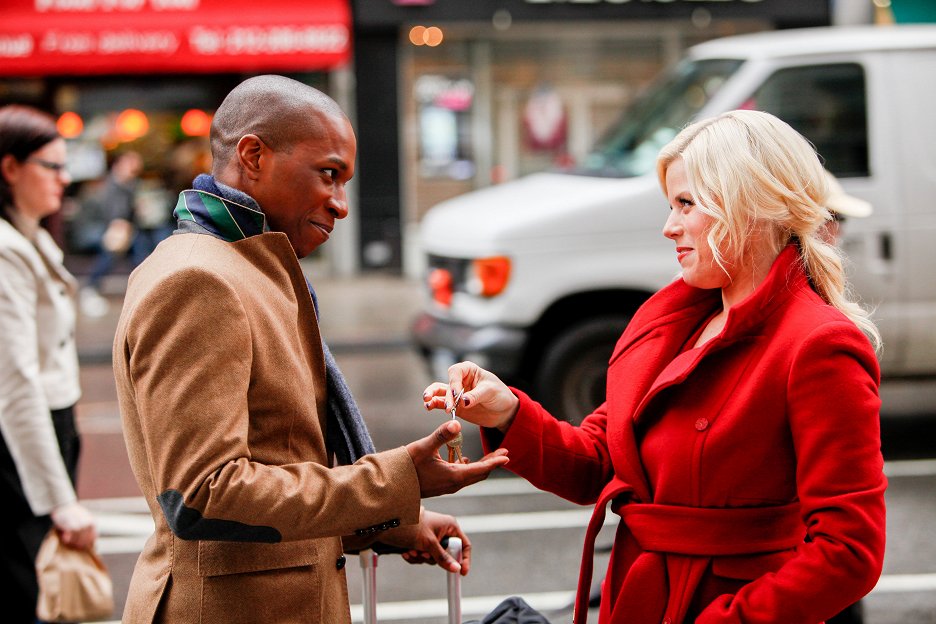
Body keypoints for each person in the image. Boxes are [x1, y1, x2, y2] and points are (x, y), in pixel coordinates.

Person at [425, 110, 887, 623]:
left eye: (686, 204)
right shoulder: (675, 321)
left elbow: (849, 552)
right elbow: (599, 460)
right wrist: (507, 412)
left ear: (748, 205)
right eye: (671, 205)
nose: (669, 228)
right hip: (641, 596)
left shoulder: (819, 344)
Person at [112, 74, 509, 623]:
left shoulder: (249, 266)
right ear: (252, 155)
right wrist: (395, 482)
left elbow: (280, 462)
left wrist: (393, 523)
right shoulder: (201, 281)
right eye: (328, 174)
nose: (341, 205)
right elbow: (205, 494)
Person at [0, 104, 98, 623]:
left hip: (51, 432)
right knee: (26, 593)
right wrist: (59, 501)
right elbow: (16, 385)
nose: (65, 179)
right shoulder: (6, 251)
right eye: (51, 166)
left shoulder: (32, 238)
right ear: (10, 168)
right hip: (19, 450)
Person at [81, 149, 143, 317]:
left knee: (138, 255)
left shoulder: (128, 186)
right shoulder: (111, 186)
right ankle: (91, 286)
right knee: (111, 255)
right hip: (105, 229)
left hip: (124, 229)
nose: (133, 171)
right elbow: (112, 212)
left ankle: (143, 287)